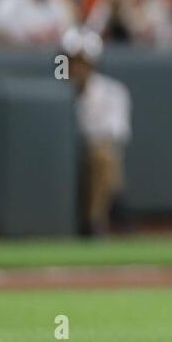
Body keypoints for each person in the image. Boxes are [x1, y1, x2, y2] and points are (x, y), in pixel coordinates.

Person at [66, 33, 132, 236]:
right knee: (104, 159)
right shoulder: (58, 90)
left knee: (103, 155)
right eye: (74, 62)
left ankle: (94, 223)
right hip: (65, 153)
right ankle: (116, 210)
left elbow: (118, 132)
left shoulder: (112, 91)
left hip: (97, 152)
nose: (78, 68)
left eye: (83, 63)